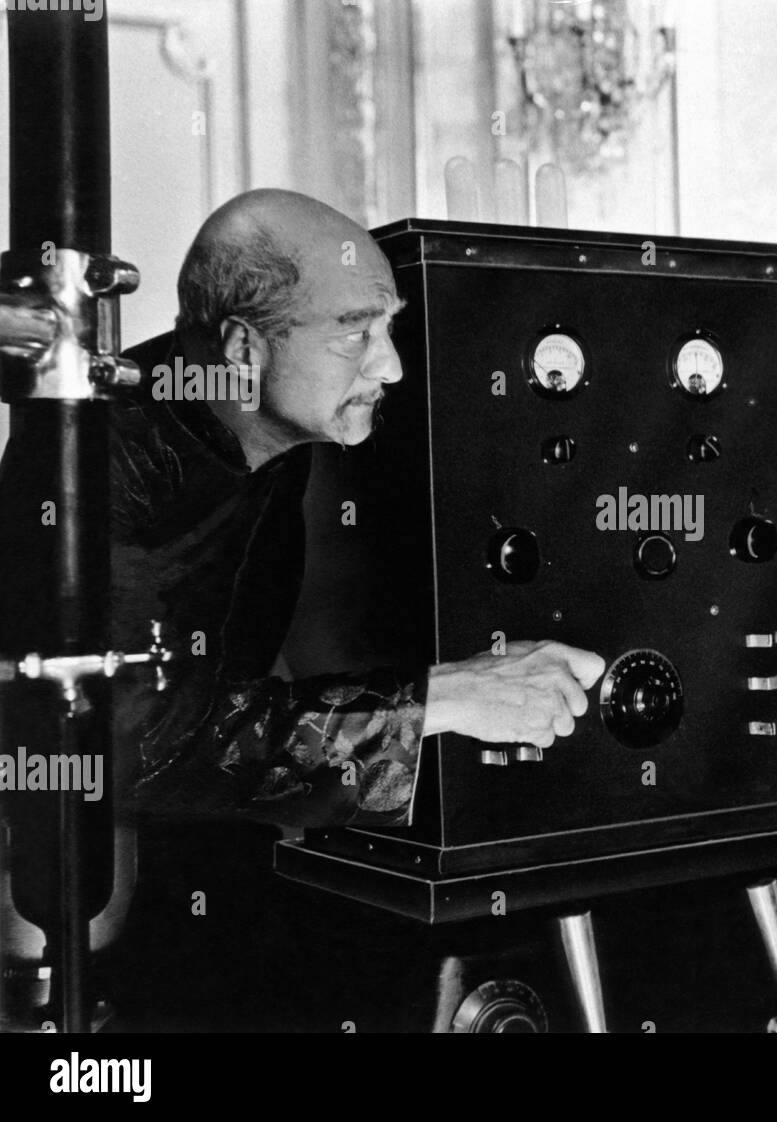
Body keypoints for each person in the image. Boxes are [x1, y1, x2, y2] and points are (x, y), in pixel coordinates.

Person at [101, 189, 604, 1028]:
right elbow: (143, 744)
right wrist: (442, 699)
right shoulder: (112, 459)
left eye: (392, 326)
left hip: (211, 855)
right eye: (355, 332)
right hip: (99, 874)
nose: (392, 367)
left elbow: (243, 657)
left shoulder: (266, 422)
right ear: (241, 346)